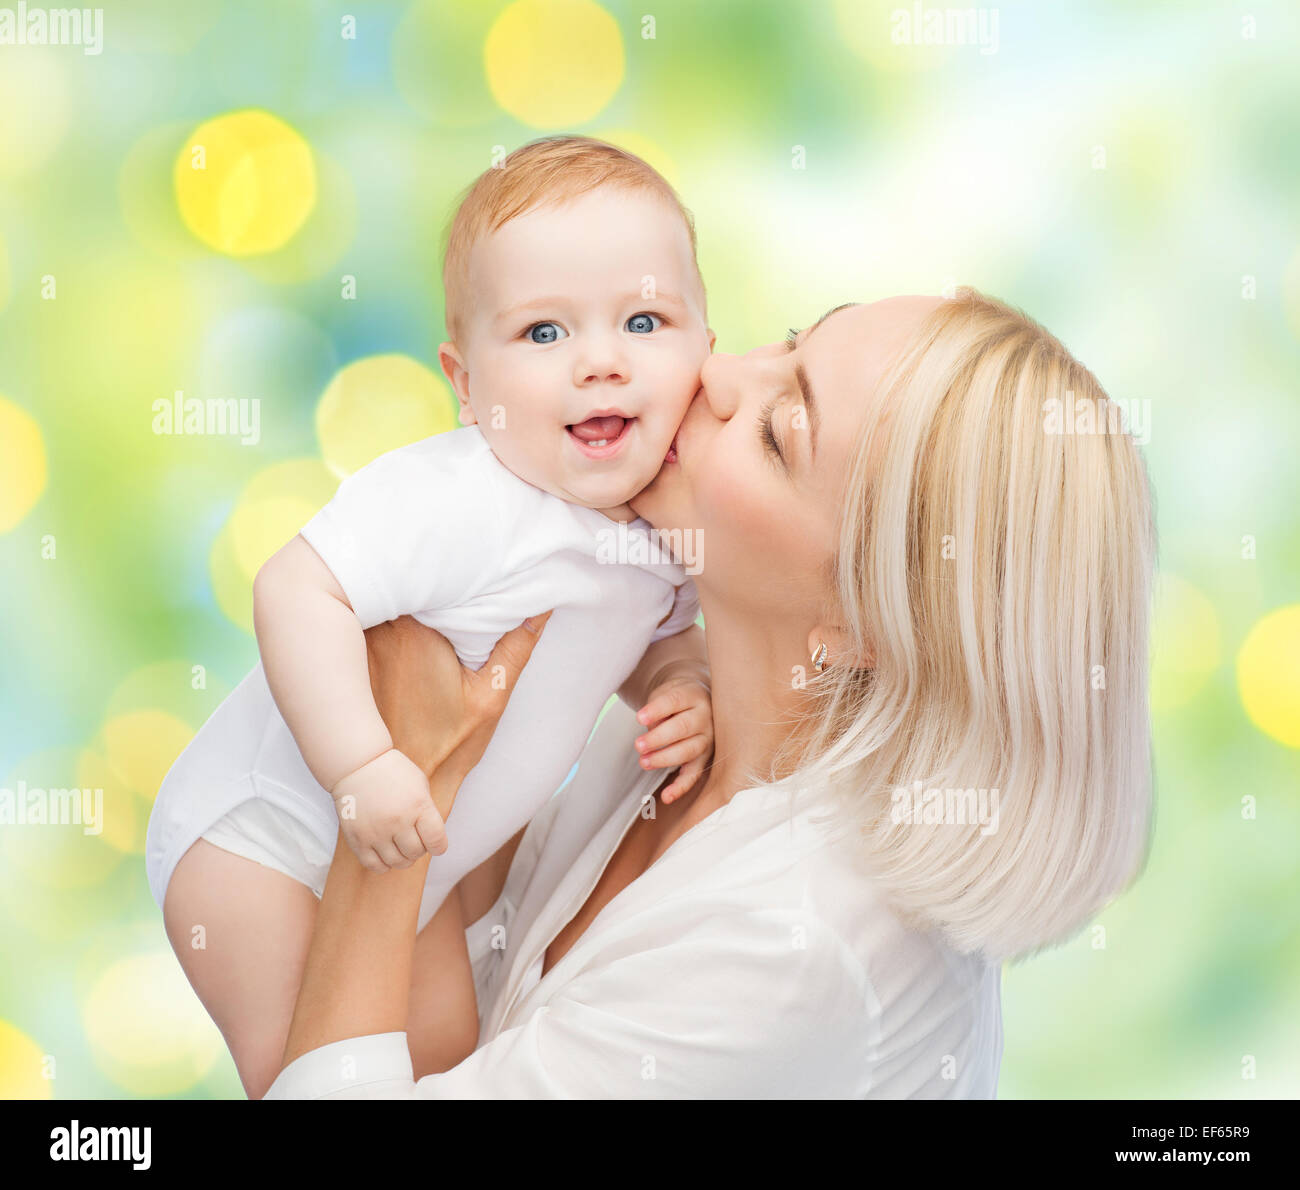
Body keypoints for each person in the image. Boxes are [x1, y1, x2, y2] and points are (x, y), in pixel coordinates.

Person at [264, 288, 1157, 1098]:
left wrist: (399, 789)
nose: (717, 372)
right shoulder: (684, 719)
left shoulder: (795, 950)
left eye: (779, 431)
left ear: (862, 628)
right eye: (792, 340)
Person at [146, 137, 719, 1099]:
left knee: (452, 1063)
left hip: (422, 867)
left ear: (707, 341)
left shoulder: (668, 524)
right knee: (307, 1063)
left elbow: (653, 634)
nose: (602, 363)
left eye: (645, 319)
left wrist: (681, 684)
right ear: (465, 383)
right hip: (260, 843)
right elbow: (295, 589)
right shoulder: (461, 501)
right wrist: (362, 764)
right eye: (545, 333)